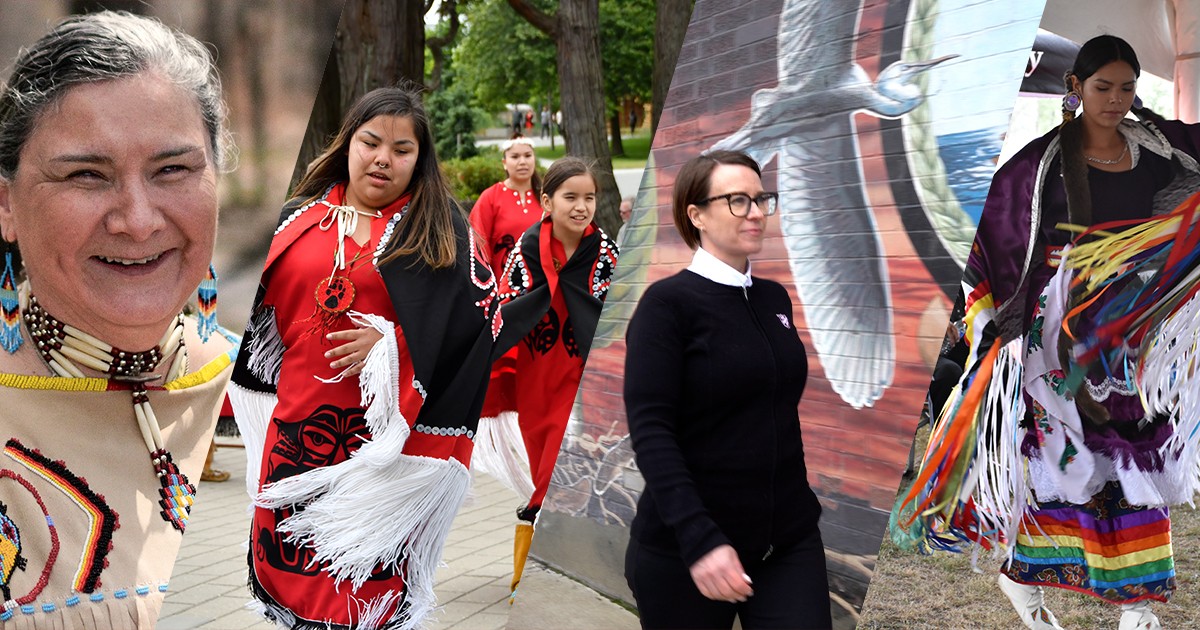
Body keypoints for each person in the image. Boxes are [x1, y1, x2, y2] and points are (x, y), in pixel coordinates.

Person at [897, 35, 1200, 630]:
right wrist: (1002, 329)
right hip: (1057, 352)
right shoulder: (1033, 169)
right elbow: (989, 248)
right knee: (1060, 472)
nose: (1115, 100)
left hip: (1129, 346)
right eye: (1102, 87)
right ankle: (1029, 599)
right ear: (1076, 88)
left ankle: (1138, 609)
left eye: (1126, 88)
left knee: (1135, 470)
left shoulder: (1164, 151)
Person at [227, 85, 498, 629]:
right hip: (297, 436)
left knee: (365, 595)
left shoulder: (439, 232)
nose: (383, 159)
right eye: (371, 142)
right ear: (348, 141)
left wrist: (393, 345)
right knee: (294, 582)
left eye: (403, 150)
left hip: (382, 454)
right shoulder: (294, 221)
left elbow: (482, 320)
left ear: (420, 160)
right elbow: (252, 324)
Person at [0, 11, 236, 627]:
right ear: (5, 204)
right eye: (86, 174)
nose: (138, 220)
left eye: (173, 169)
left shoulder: (273, 383)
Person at [623, 150, 831, 629]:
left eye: (761, 199)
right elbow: (652, 431)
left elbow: (776, 412)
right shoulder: (667, 306)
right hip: (689, 552)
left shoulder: (773, 298)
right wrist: (700, 539)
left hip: (787, 543)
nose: (756, 212)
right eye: (738, 200)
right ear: (696, 214)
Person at [473, 157, 618, 597]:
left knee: (568, 446)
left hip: (584, 369)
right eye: (570, 197)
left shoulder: (607, 250)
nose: (581, 207)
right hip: (539, 364)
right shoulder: (529, 247)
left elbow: (619, 314)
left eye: (589, 197)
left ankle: (554, 529)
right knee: (540, 442)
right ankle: (547, 544)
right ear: (547, 201)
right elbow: (509, 304)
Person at [469, 136, 542, 465]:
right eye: (516, 156)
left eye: (528, 155)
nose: (523, 161)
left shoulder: (547, 197)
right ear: (504, 162)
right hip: (504, 298)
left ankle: (537, 421)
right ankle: (498, 435)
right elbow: (477, 244)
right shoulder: (492, 198)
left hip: (542, 296)